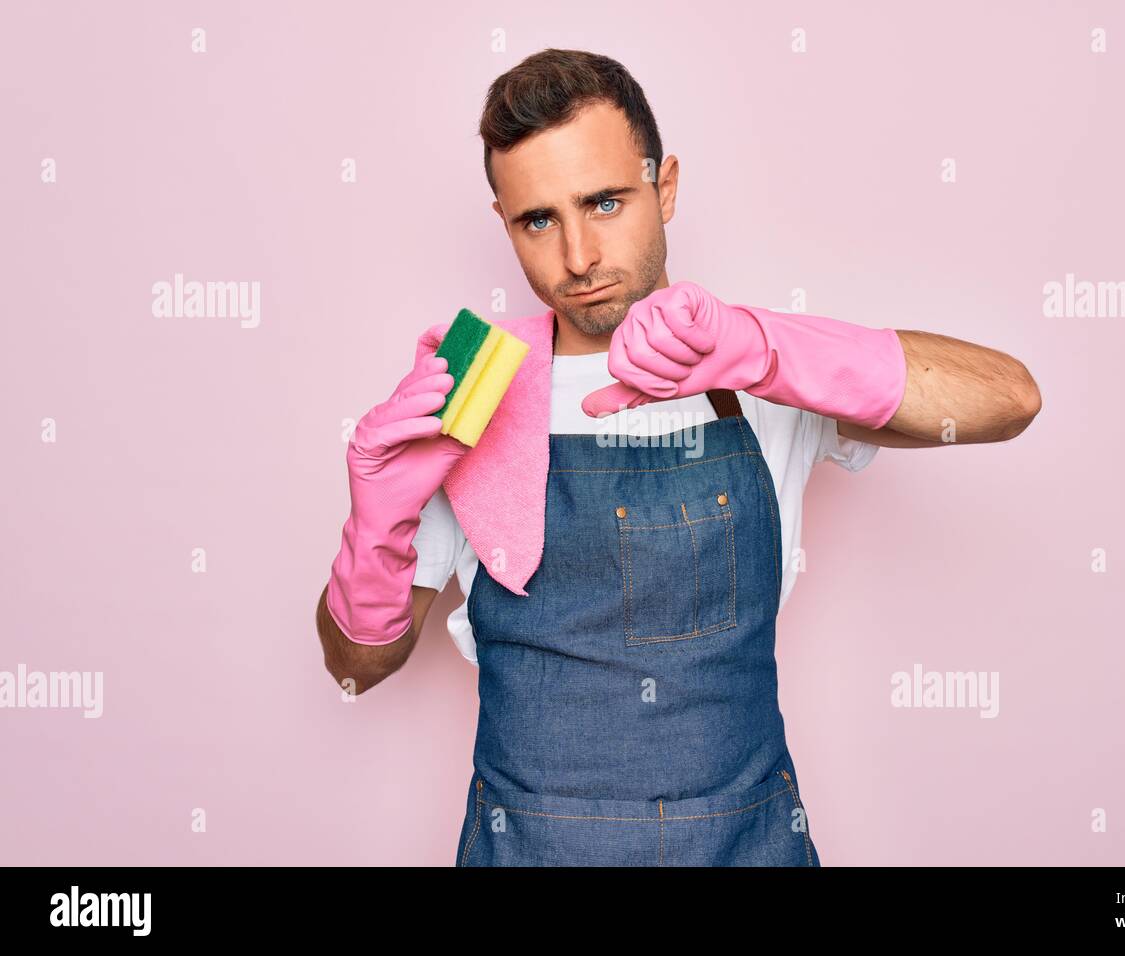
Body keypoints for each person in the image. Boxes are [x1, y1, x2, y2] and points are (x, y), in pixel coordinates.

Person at [315, 48, 1041, 866]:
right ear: (505, 224)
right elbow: (356, 669)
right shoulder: (469, 388)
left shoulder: (755, 372)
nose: (579, 257)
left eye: (605, 201)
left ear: (664, 190)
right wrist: (376, 520)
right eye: (539, 220)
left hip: (747, 843)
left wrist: (765, 348)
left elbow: (1007, 399)